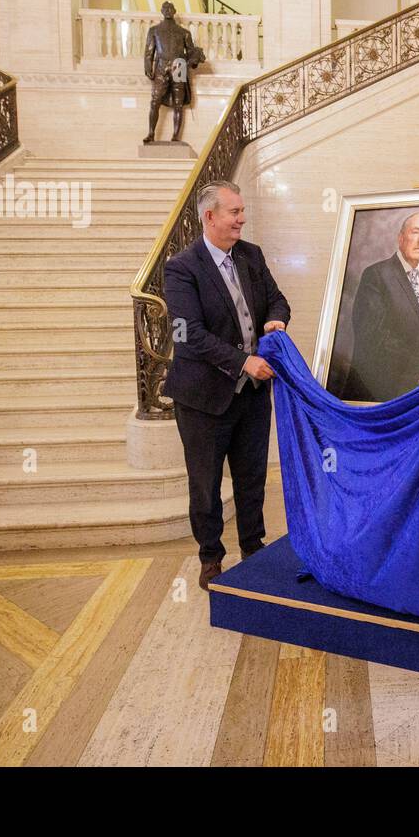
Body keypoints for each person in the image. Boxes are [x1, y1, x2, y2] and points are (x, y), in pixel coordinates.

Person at [162, 180, 291, 590]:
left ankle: (253, 550)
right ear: (210, 217)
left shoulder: (251, 255)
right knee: (206, 483)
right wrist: (243, 362)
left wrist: (277, 320)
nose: (242, 219)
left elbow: (277, 299)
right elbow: (189, 335)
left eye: (242, 211)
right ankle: (210, 557)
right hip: (203, 397)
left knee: (252, 477)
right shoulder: (182, 268)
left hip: (252, 396)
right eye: (234, 212)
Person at [344, 212, 419, 400]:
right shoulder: (375, 275)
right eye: (415, 232)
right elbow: (373, 337)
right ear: (401, 238)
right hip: (379, 390)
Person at [143, 1, 205, 144]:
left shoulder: (184, 33)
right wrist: (147, 67)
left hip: (180, 65)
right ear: (162, 11)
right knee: (155, 101)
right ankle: (151, 133)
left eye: (171, 8)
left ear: (174, 11)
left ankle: (176, 136)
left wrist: (196, 58)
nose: (168, 10)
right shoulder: (154, 30)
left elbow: (190, 53)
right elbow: (149, 52)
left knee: (178, 103)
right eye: (166, 8)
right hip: (161, 66)